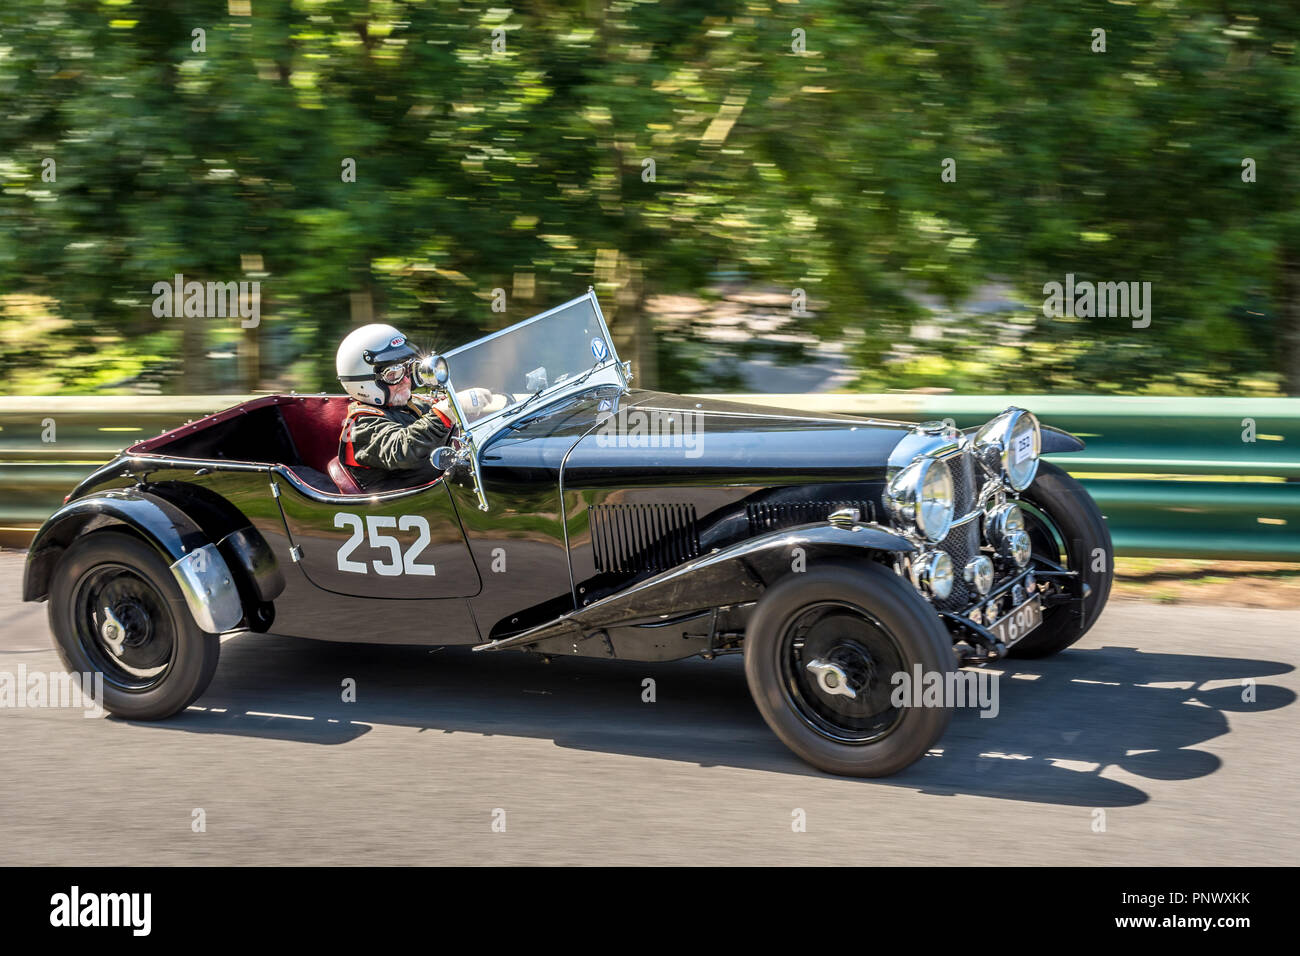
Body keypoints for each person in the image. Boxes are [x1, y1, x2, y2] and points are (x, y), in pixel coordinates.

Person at [335, 324, 453, 492]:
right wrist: (444, 414)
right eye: (393, 374)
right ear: (365, 382)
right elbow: (402, 450)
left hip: (443, 491)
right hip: (411, 507)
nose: (406, 380)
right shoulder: (362, 425)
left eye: (407, 369)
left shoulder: (411, 404)